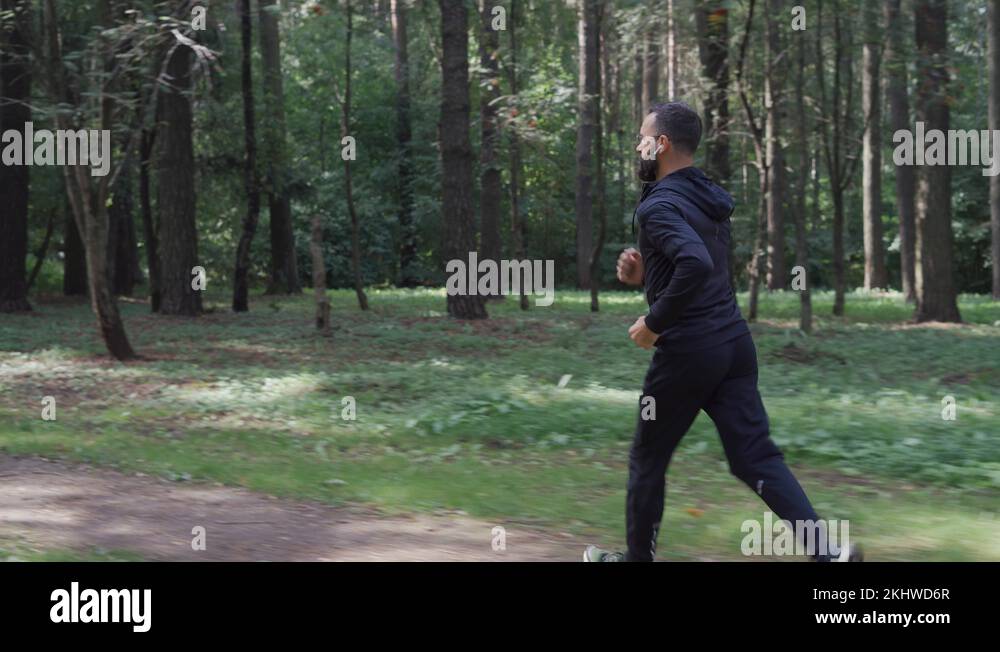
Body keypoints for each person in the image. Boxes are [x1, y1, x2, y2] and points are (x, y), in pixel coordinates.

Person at [583, 102, 861, 563]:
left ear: (662, 143)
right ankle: (827, 553)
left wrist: (654, 323)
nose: (638, 145)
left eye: (642, 136)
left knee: (647, 458)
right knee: (755, 456)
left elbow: (695, 262)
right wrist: (646, 274)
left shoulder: (659, 205)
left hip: (689, 352)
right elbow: (696, 270)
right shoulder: (705, 196)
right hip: (732, 344)